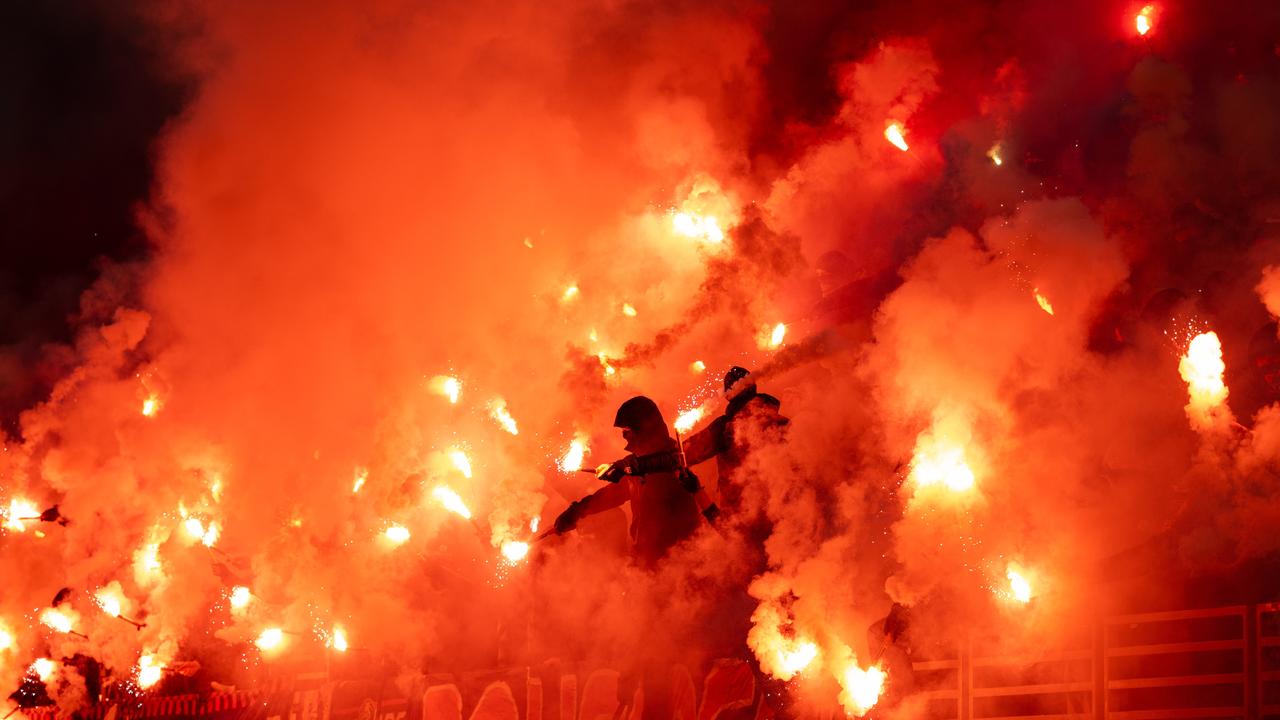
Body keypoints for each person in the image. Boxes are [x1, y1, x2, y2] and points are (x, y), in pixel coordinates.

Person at [552, 396, 702, 568]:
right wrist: (575, 513)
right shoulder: (638, 467)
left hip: (677, 564)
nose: (624, 436)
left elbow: (656, 465)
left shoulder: (670, 463)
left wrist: (623, 467)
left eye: (627, 430)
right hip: (648, 561)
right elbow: (614, 494)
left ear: (643, 430)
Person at [682, 367, 789, 516]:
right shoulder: (782, 422)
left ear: (728, 395)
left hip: (741, 515)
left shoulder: (725, 428)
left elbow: (686, 453)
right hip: (782, 512)